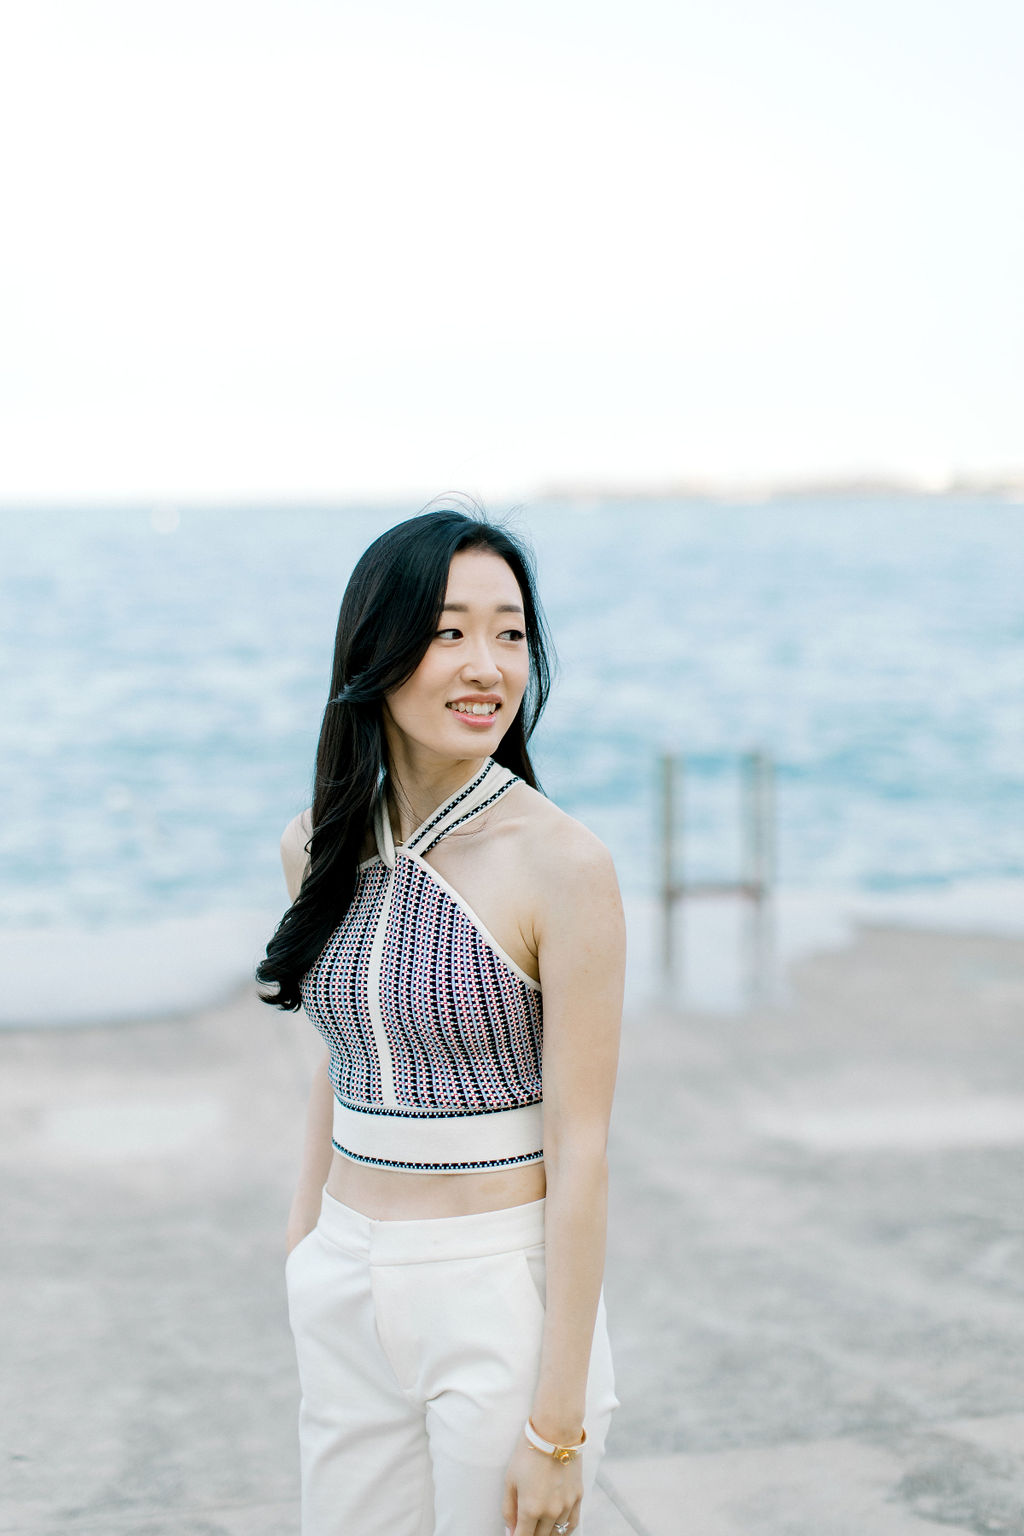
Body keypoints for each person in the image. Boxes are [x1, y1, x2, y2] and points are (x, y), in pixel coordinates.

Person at [257, 506, 624, 1536]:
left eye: (509, 634)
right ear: (377, 651)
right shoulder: (316, 848)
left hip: (495, 1296)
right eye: (449, 630)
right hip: (343, 1281)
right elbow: (344, 1055)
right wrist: (305, 1246)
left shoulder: (561, 865)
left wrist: (558, 1427)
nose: (486, 666)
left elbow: (584, 1150)